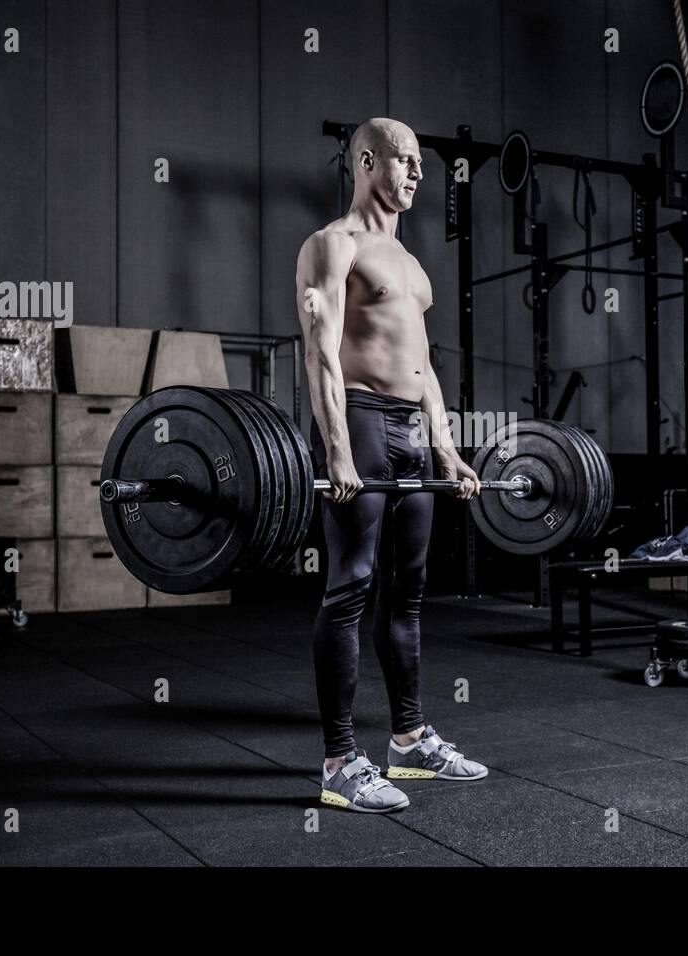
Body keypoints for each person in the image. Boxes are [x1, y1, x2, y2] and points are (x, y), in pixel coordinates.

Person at [295, 117, 489, 813]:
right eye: (405, 161)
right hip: (363, 423)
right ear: (367, 161)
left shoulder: (411, 266)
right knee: (348, 588)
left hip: (411, 431)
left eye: (420, 165)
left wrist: (446, 446)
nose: (416, 174)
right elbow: (319, 351)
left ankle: (407, 742)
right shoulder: (331, 246)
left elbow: (425, 367)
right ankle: (340, 762)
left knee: (407, 593)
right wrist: (338, 447)